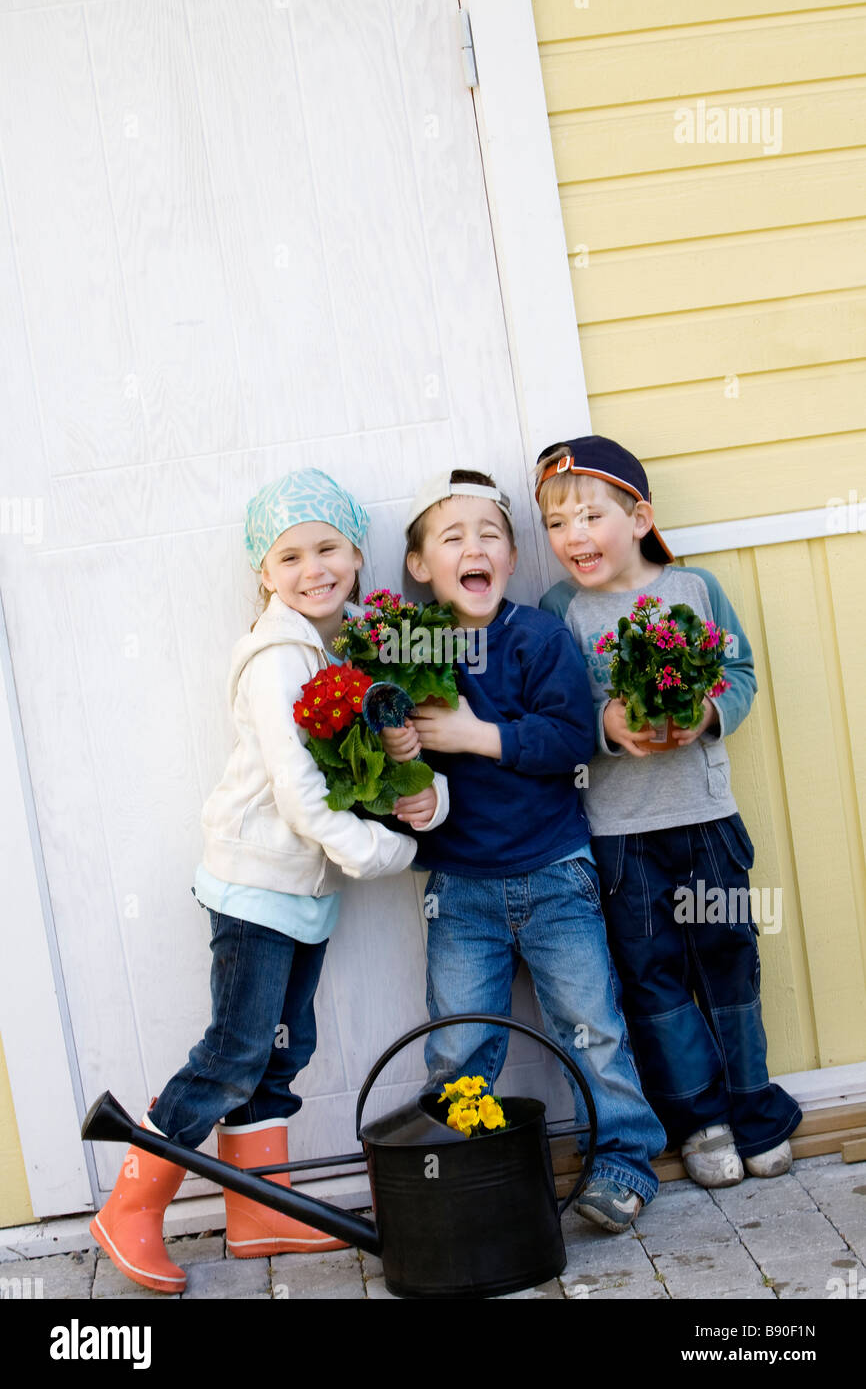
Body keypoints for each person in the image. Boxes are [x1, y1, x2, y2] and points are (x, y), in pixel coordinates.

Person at [90, 468, 445, 1293]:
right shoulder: (276, 657)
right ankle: (131, 1208)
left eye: (328, 548)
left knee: (284, 1051)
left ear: (357, 553)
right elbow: (299, 791)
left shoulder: (345, 645)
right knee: (235, 1051)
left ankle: (260, 1214)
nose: (313, 568)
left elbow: (380, 765)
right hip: (257, 886)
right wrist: (387, 854)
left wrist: (421, 791)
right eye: (290, 555)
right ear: (264, 572)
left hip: (304, 892)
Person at [380, 468, 666, 1233]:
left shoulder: (537, 634)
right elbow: (393, 759)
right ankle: (473, 1168)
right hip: (460, 886)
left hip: (553, 870)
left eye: (490, 535)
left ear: (510, 556)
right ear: (419, 566)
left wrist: (475, 735)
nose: (474, 548)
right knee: (460, 1039)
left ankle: (626, 1160)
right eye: (452, 537)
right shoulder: (411, 648)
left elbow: (571, 737)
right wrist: (404, 762)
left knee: (591, 1025)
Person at [534, 433, 801, 1188]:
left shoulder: (695, 592)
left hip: (707, 820)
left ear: (640, 514)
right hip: (620, 839)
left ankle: (753, 1108)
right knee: (651, 977)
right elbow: (557, 716)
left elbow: (740, 671)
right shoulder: (561, 610)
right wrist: (603, 729)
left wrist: (709, 714)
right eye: (556, 524)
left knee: (727, 958)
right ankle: (700, 1120)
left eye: (590, 517)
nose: (573, 537)